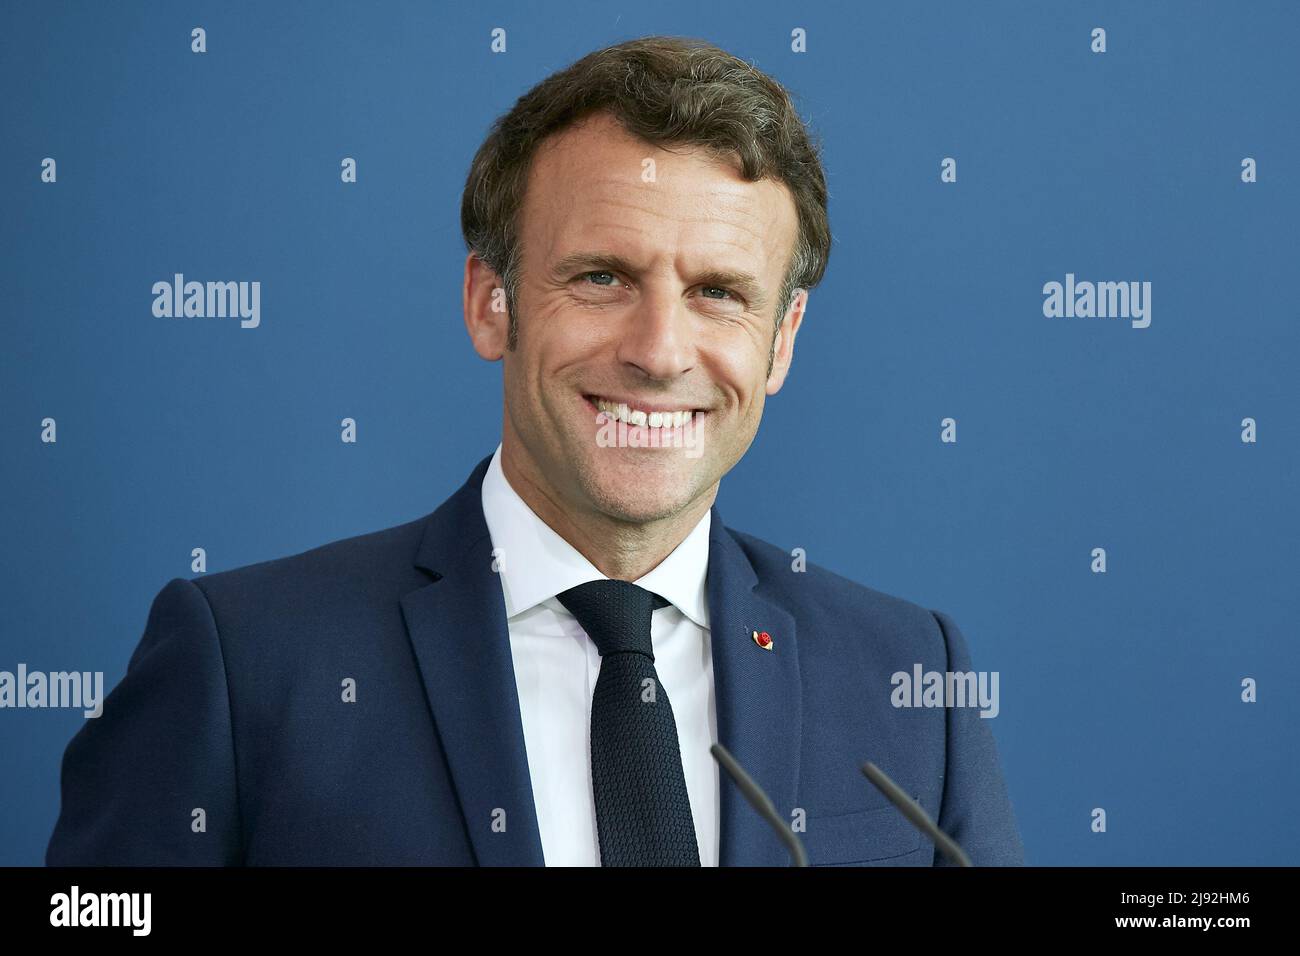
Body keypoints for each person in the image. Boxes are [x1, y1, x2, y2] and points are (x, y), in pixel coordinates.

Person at [46, 35, 1024, 867]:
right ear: (489, 301)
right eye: (601, 276)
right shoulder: (243, 662)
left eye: (718, 291)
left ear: (783, 341)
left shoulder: (910, 678)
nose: (657, 349)